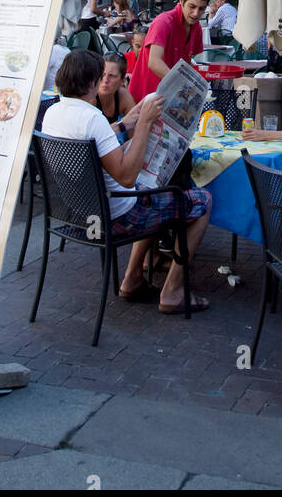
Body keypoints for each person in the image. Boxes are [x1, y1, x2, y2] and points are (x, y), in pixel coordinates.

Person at [42, 50, 212, 313]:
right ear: (90, 82)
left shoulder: (53, 112)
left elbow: (92, 140)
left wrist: (124, 125)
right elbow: (127, 176)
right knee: (202, 201)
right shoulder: (92, 118)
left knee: (150, 190)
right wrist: (143, 123)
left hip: (76, 214)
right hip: (116, 217)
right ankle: (173, 292)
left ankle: (132, 278)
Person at [128, 0, 212, 102]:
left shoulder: (197, 28)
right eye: (192, 7)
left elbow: (186, 64)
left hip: (170, 100)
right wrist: (183, 86)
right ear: (182, 0)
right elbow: (153, 61)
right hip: (145, 99)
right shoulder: (163, 22)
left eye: (201, 9)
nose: (196, 13)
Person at [95, 52, 135, 129]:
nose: (105, 80)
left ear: (123, 80)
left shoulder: (123, 96)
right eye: (102, 74)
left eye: (112, 76)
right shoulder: (90, 97)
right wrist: (122, 125)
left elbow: (134, 134)